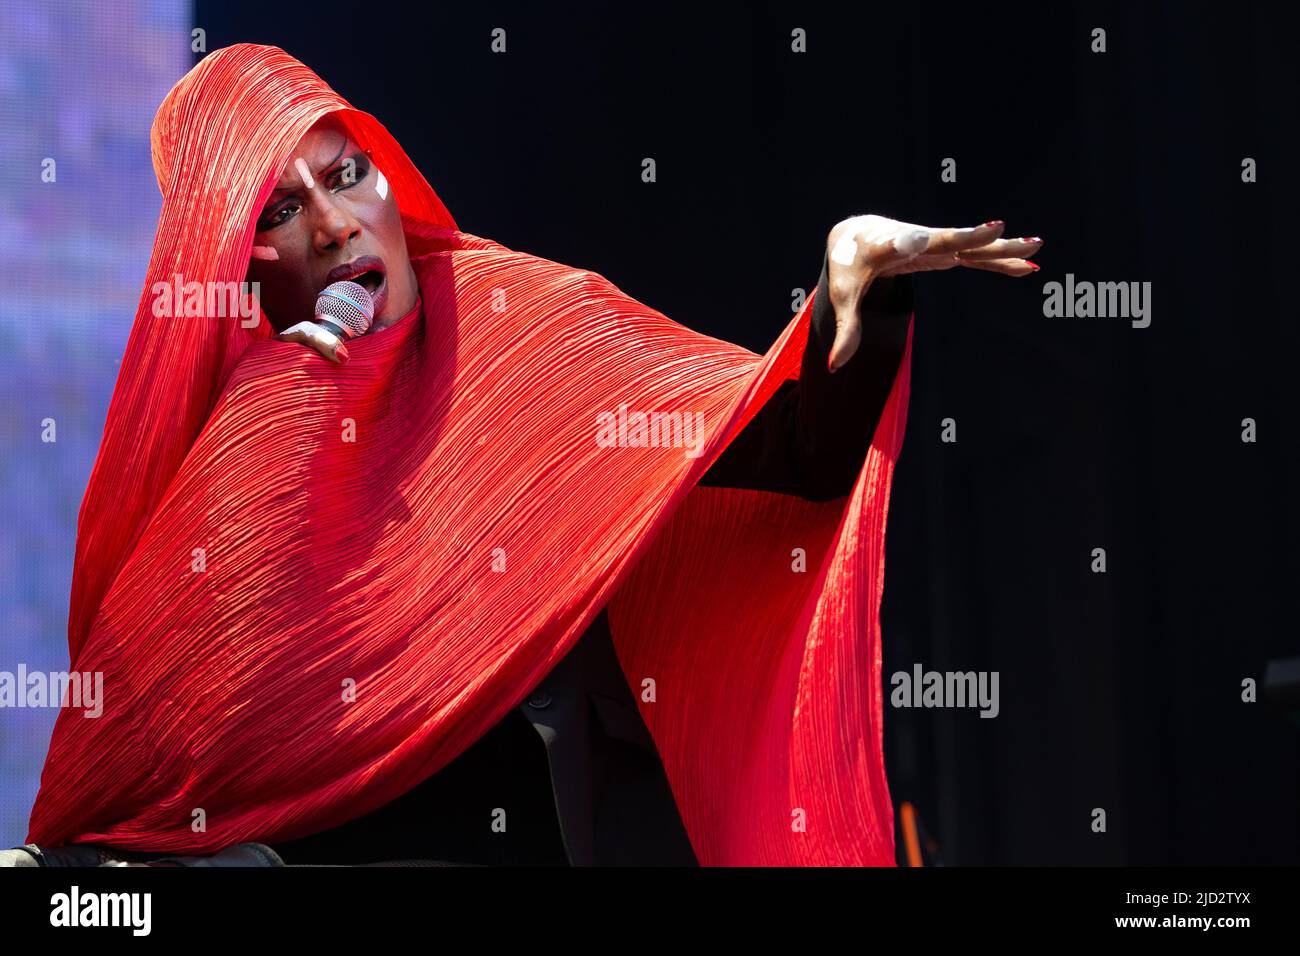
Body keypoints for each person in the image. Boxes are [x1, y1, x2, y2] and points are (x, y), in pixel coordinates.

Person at [14, 44, 1041, 868]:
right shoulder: (246, 450)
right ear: (237, 263)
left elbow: (801, 458)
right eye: (278, 211)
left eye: (346, 175)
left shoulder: (522, 329)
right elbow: (131, 809)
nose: (333, 226)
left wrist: (848, 296)